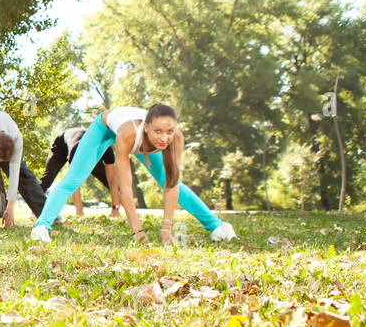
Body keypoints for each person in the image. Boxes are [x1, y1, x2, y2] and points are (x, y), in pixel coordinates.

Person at [30, 104, 237, 243]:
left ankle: (216, 226)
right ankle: (41, 227)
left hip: (140, 134)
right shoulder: (129, 133)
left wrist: (167, 228)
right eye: (158, 132)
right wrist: (137, 230)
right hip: (104, 128)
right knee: (73, 179)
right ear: (147, 128)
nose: (165, 138)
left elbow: (172, 184)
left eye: (169, 132)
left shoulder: (174, 138)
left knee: (170, 180)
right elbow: (125, 186)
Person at [39, 126, 123, 217]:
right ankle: (35, 209)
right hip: (61, 145)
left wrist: (115, 209)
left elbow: (112, 181)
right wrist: (79, 213)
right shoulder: (76, 150)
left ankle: (127, 208)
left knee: (106, 179)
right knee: (47, 179)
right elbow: (72, 182)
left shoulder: (107, 151)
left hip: (87, 147)